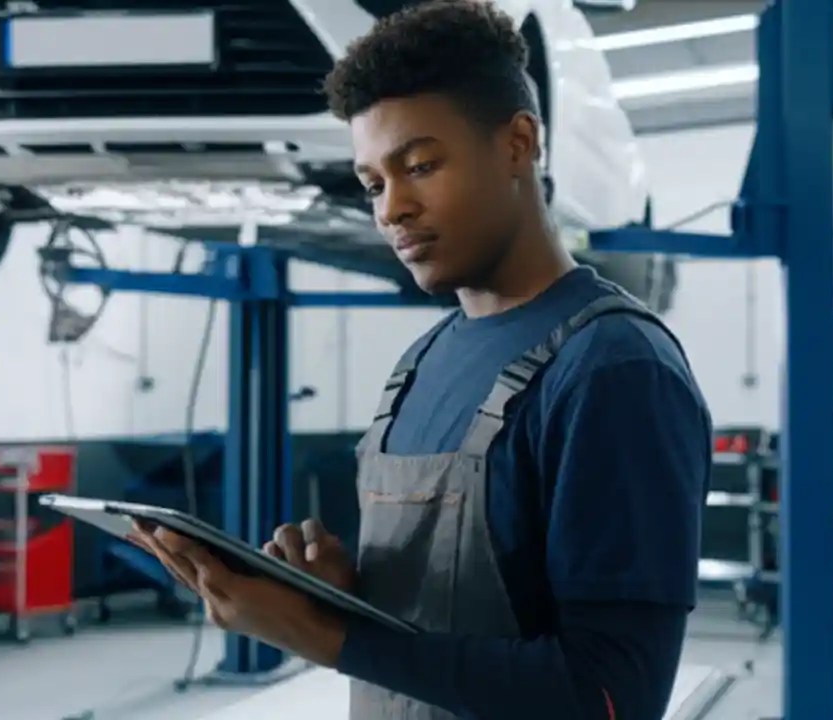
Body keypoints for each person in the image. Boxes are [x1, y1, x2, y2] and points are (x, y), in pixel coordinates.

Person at [131, 1, 712, 718]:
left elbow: (610, 696)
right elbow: (443, 620)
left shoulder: (614, 370)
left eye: (421, 166)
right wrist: (349, 595)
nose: (392, 210)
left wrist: (327, 634)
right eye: (374, 183)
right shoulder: (421, 363)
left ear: (519, 144)